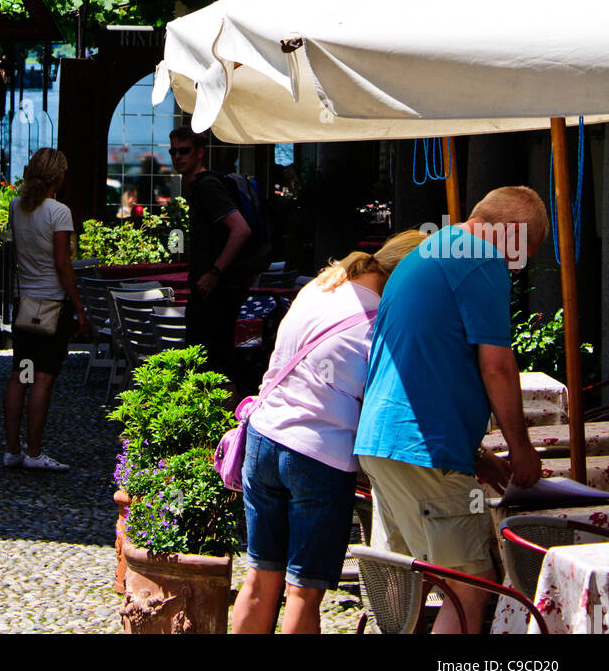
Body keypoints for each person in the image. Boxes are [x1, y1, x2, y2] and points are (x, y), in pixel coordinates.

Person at [354, 186, 548, 634]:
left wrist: (475, 454)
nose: (518, 267)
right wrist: (521, 449)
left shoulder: (432, 249)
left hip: (385, 442)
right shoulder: (480, 257)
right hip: (421, 449)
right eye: (525, 253)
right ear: (511, 234)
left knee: (411, 587)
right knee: (471, 585)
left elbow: (422, 363)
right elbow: (496, 366)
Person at [232, 231, 426, 635]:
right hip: (319, 458)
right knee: (303, 592)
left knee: (259, 578)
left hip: (263, 439)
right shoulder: (384, 326)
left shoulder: (324, 283)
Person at [2, 148, 89, 471]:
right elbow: (63, 264)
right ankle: (35, 452)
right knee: (42, 379)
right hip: (52, 307)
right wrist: (79, 307)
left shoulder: (17, 207)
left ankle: (12, 450)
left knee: (19, 375)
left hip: (24, 306)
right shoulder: (58, 212)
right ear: (58, 177)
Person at [168, 126, 252, 383]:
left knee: (213, 368)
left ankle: (228, 421)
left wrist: (214, 273)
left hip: (214, 294)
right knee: (212, 368)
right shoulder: (200, 186)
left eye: (184, 151)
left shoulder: (207, 187)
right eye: (173, 152)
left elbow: (241, 229)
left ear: (200, 153)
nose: (177, 157)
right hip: (212, 292)